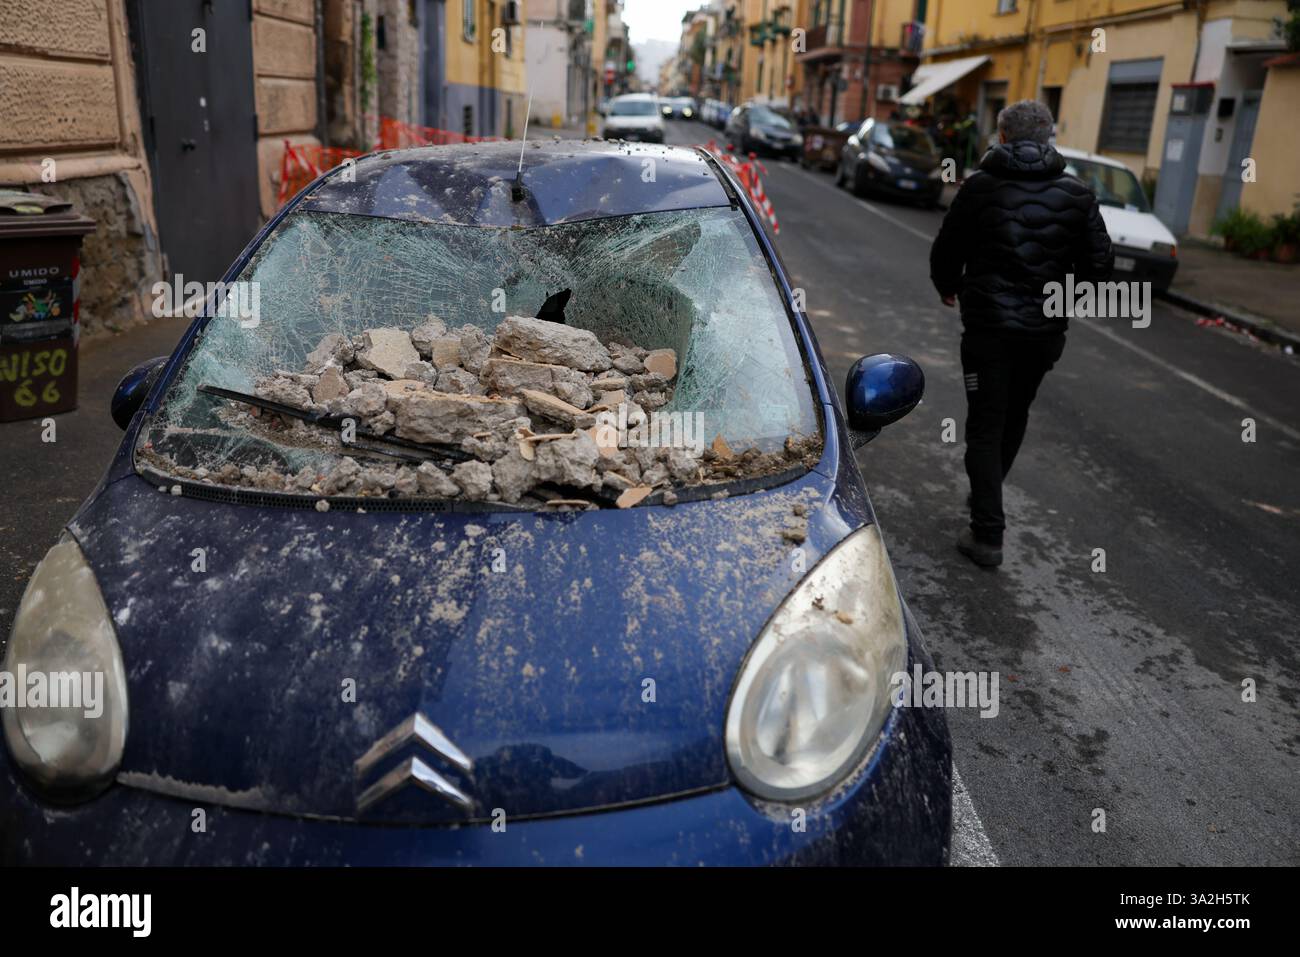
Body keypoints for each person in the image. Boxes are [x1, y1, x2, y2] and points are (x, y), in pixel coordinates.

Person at [929, 100, 1113, 567]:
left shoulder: (979, 188)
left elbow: (948, 247)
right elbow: (1100, 266)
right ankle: (986, 496)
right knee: (1014, 414)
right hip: (1044, 333)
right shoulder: (1078, 194)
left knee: (985, 425)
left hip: (988, 328)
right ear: (1049, 137)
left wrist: (949, 286)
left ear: (1003, 137)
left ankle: (988, 533)